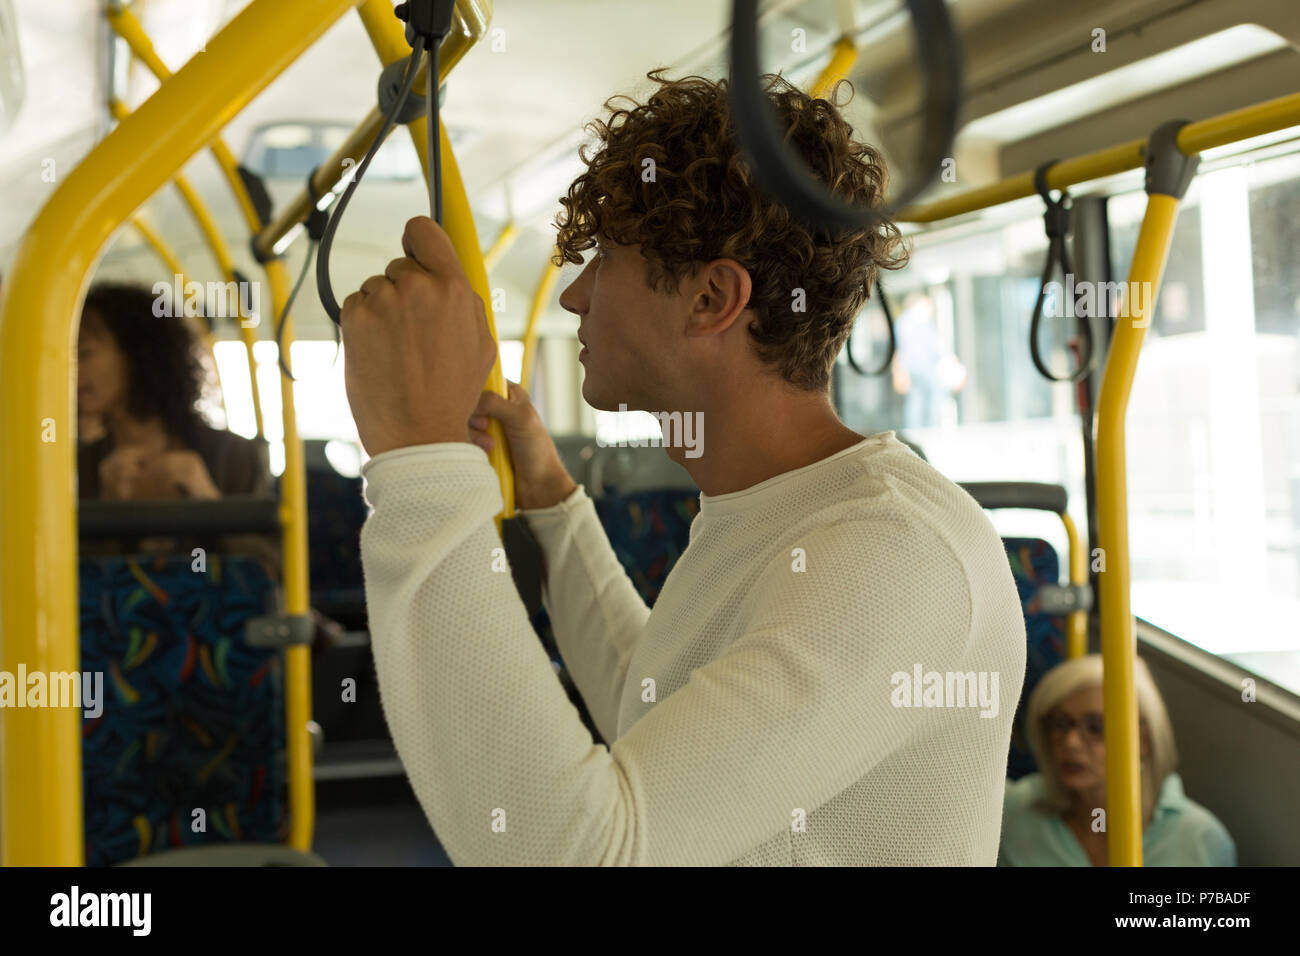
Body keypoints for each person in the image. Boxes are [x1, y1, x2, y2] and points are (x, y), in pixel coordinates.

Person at [339, 70, 1027, 865]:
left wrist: (420, 461)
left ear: (711, 300)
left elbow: (588, 852)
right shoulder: (771, 506)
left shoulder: (893, 551)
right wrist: (555, 505)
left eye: (606, 260)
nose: (575, 297)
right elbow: (656, 703)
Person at [76, 281, 276, 566]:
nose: (72, 369)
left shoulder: (234, 457)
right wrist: (105, 517)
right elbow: (70, 584)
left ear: (136, 355)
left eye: (84, 354)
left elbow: (271, 570)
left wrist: (210, 506)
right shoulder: (78, 467)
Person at [999, 654, 1236, 866]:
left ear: (1142, 740)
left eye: (1096, 727)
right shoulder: (1014, 813)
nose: (1071, 742)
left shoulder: (1199, 840)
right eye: (1060, 724)